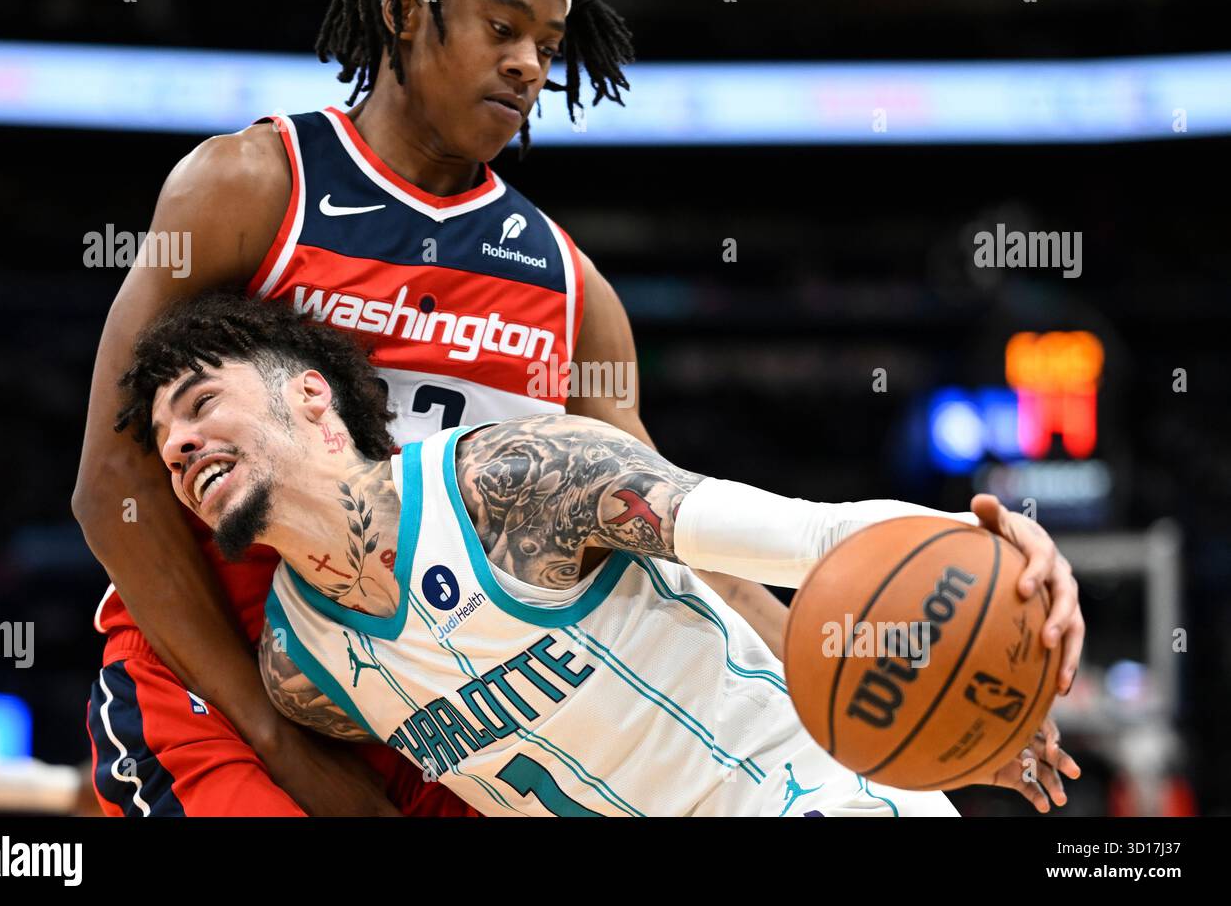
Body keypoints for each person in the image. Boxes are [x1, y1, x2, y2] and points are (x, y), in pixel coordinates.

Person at [73, 0, 793, 817]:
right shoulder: (251, 186)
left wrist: (834, 672)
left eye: (548, 43)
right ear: (403, 11)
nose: (529, 64)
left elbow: (671, 527)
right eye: (501, 27)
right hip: (219, 679)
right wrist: (271, 734)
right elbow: (111, 481)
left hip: (435, 712)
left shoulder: (571, 287)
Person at [115, 292, 1083, 816]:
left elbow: (813, 533)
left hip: (801, 793)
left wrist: (996, 541)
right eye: (165, 443)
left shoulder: (516, 480)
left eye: (202, 403)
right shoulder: (301, 667)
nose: (181, 445)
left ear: (314, 400)